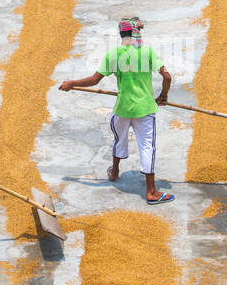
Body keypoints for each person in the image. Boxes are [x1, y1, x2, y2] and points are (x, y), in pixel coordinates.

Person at [58, 16, 174, 204]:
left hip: (122, 108)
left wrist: (72, 83)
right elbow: (167, 76)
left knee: (119, 139)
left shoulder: (113, 55)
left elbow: (94, 80)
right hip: (145, 109)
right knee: (147, 147)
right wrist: (163, 96)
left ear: (121, 34)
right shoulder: (147, 52)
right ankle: (151, 192)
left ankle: (114, 172)